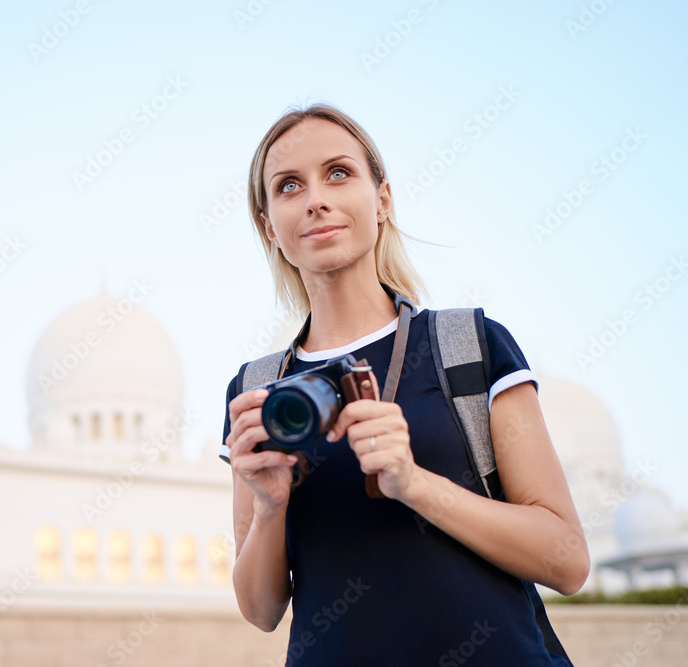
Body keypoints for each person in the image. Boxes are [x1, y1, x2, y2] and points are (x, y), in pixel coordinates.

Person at [219, 103, 589, 666]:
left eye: (339, 173)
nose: (316, 198)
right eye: (289, 185)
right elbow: (262, 610)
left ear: (383, 200)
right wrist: (270, 509)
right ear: (271, 227)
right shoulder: (259, 390)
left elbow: (567, 562)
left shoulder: (469, 344)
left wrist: (414, 483)